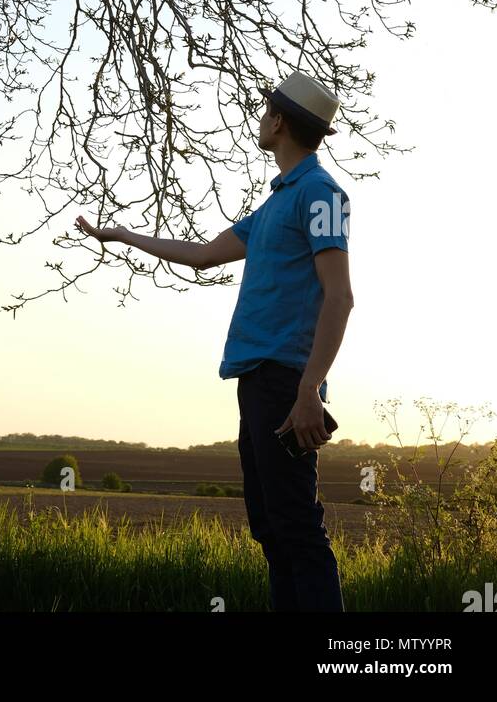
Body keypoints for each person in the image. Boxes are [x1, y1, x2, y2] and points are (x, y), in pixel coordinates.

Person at [75, 69, 354, 612]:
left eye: (265, 109)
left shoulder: (321, 194)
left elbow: (339, 297)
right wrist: (122, 235)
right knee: (273, 532)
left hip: (286, 383)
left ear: (278, 121)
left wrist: (308, 391)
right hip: (257, 382)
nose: (260, 116)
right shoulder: (276, 204)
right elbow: (203, 255)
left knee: (298, 530)